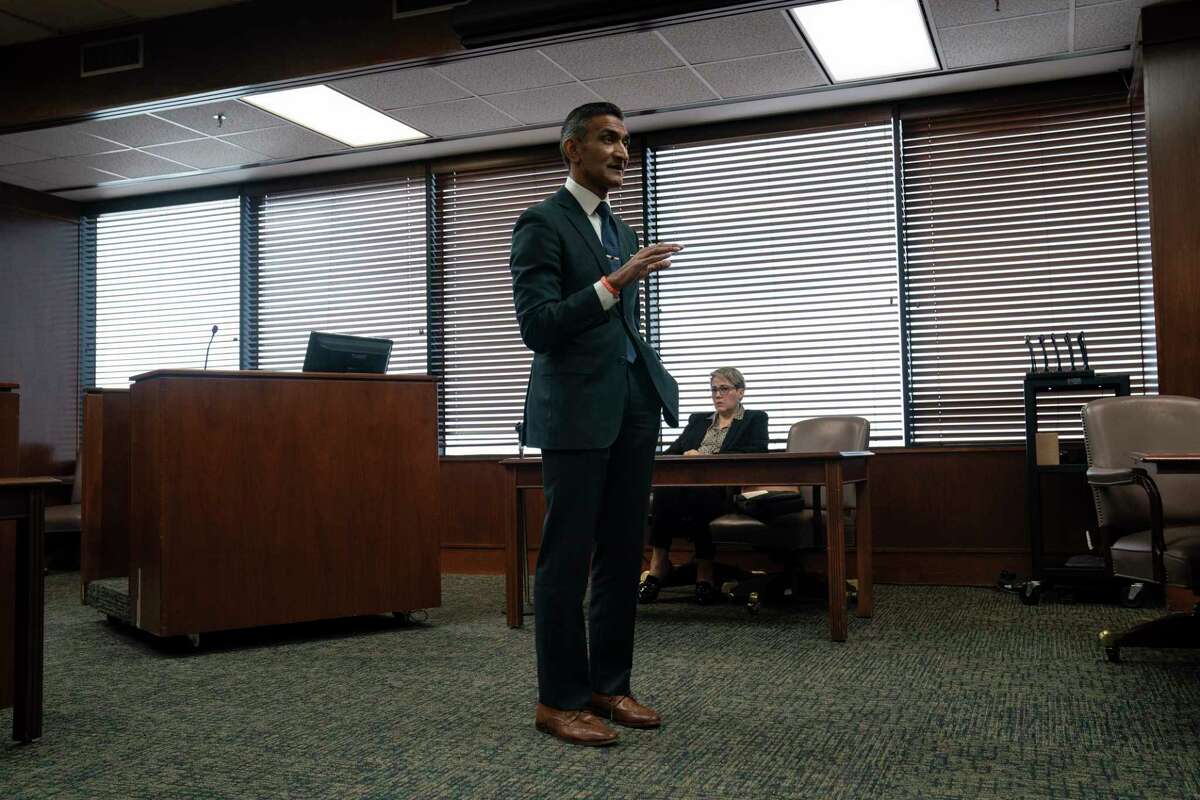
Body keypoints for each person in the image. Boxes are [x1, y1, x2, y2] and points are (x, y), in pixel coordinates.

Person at [510, 102, 682, 747]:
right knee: (567, 557)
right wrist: (615, 281)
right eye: (608, 139)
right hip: (575, 411)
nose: (621, 152)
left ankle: (610, 686)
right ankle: (558, 700)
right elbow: (538, 326)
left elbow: (616, 327)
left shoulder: (619, 227)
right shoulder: (541, 223)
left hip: (632, 405)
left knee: (621, 551)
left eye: (626, 141)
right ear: (572, 149)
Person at [639, 367, 768, 605]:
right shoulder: (698, 420)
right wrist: (683, 455)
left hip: (724, 488)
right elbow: (672, 452)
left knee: (702, 492)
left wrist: (708, 458)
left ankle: (704, 569)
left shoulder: (754, 419)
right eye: (714, 390)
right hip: (685, 487)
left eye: (724, 389)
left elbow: (757, 453)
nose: (718, 395)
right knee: (666, 489)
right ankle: (658, 563)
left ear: (740, 392)